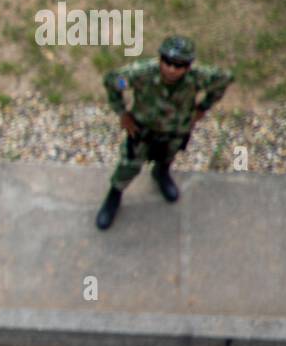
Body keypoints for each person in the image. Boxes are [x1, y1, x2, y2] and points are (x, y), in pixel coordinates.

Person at [95, 36, 232, 230]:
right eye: (167, 62)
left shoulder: (198, 77)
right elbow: (112, 82)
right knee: (129, 165)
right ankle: (114, 195)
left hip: (175, 131)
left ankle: (161, 175)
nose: (172, 69)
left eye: (179, 65)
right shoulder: (141, 73)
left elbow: (224, 79)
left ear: (188, 66)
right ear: (160, 59)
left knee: (167, 157)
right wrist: (122, 113)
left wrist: (203, 108)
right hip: (143, 131)